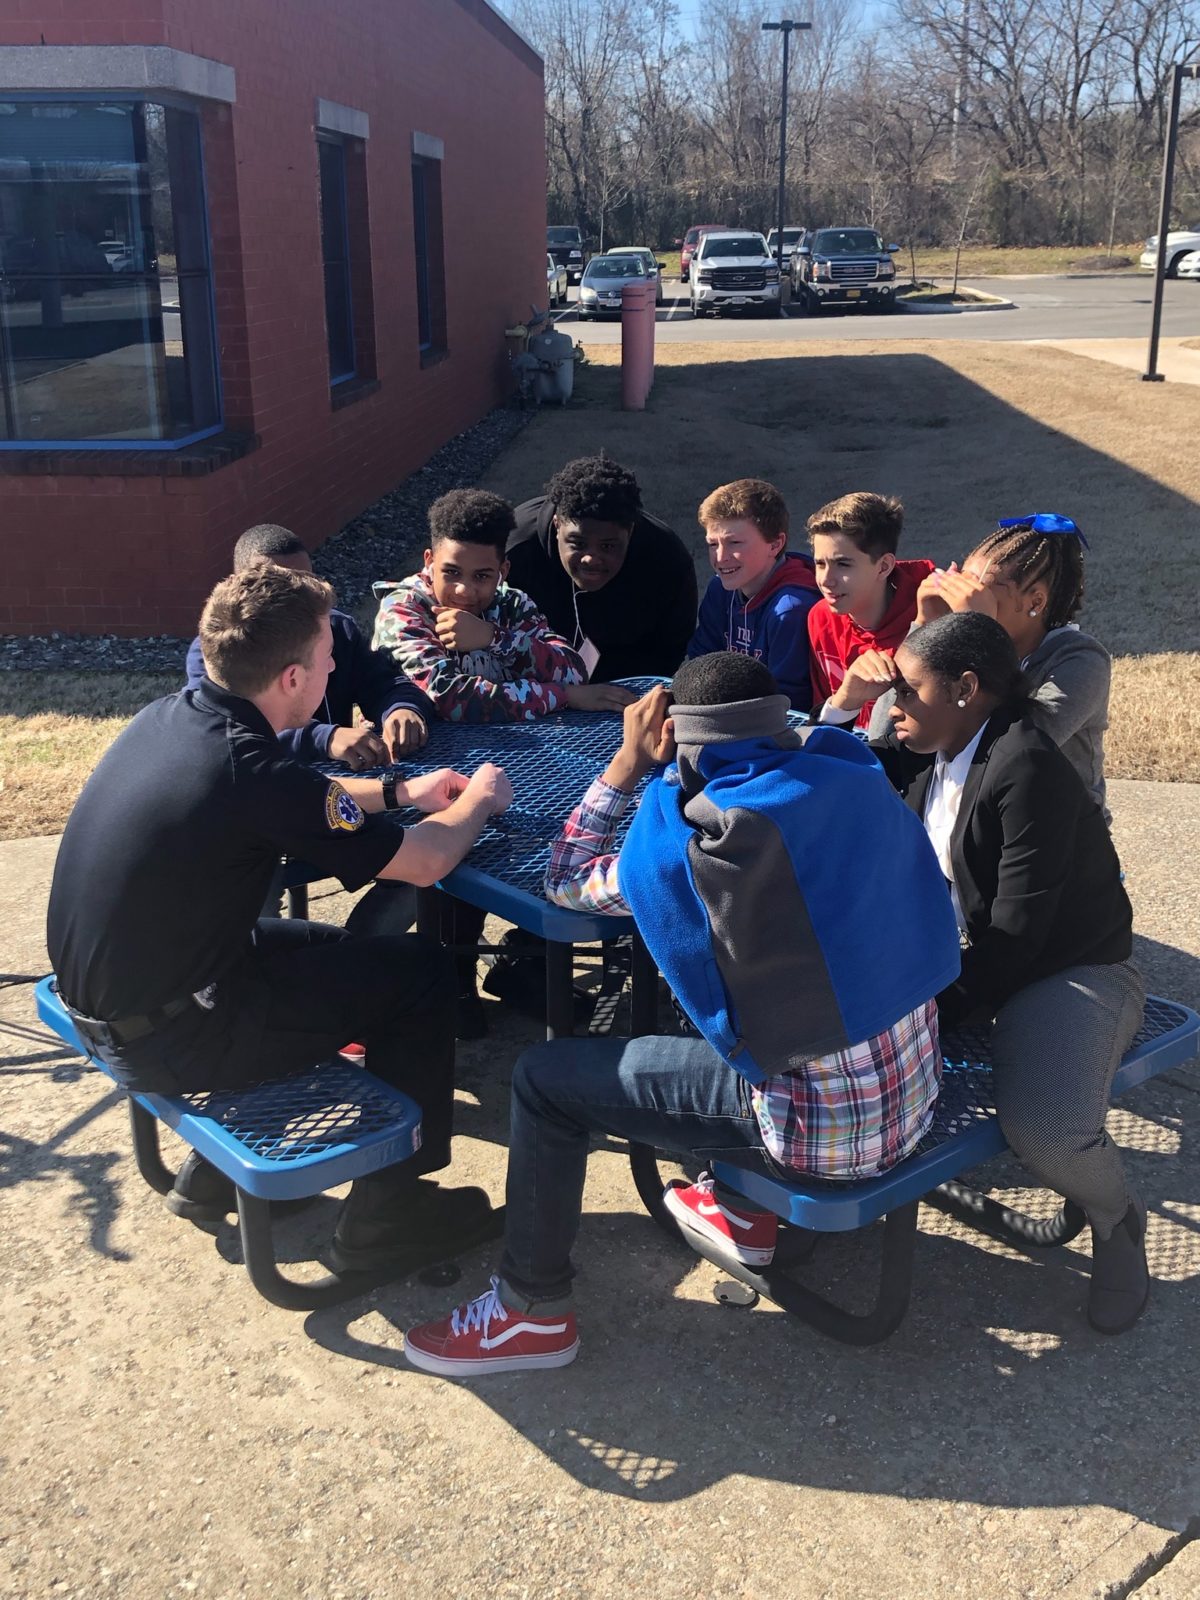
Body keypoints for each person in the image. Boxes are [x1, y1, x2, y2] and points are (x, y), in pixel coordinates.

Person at [400, 655, 960, 1377]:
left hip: (819, 1136)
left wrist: (625, 768)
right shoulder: (851, 777)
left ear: (679, 741)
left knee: (544, 1080)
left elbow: (565, 880)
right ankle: (741, 1210)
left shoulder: (697, 845)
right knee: (737, 982)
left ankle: (530, 1312)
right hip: (917, 1094)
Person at [47, 561, 511, 1276]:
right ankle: (388, 1215)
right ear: (292, 679)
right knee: (419, 975)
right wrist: (477, 799)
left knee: (344, 962)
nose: (334, 671)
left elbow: (303, 799)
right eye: (327, 658)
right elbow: (425, 863)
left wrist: (400, 790)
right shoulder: (249, 769)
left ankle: (212, 1171)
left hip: (130, 995)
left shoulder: (177, 717)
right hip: (174, 1031)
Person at [875, 611, 1147, 1334]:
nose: (892, 702)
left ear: (966, 689)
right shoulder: (928, 745)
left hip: (1068, 967)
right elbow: (848, 776)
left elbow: (1018, 936)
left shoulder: (1025, 767)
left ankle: (1114, 1217)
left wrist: (927, 1011)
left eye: (907, 687)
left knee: (1047, 1130)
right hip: (969, 956)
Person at [895, 512, 1110, 819]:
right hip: (967, 829)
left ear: (1035, 603)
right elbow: (890, 732)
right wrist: (925, 627)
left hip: (1056, 837)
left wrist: (977, 631)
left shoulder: (1081, 660)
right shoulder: (959, 648)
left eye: (981, 595)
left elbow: (1015, 748)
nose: (961, 603)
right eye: (962, 587)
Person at [372, 488, 632, 722]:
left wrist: (493, 637)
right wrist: (562, 696)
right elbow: (448, 698)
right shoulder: (403, 610)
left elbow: (574, 670)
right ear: (429, 560)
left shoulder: (511, 603)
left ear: (502, 571)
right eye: (451, 572)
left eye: (482, 576)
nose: (464, 590)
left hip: (508, 753)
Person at [185, 523, 432, 765]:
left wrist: (401, 709)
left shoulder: (336, 630)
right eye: (275, 585)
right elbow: (224, 730)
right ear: (241, 585)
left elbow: (385, 682)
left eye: (304, 581)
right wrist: (324, 738)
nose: (296, 595)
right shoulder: (220, 646)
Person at [505, 455, 698, 682]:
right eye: (577, 543)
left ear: (630, 531)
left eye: (608, 546)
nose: (591, 559)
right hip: (529, 682)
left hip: (621, 686)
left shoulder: (668, 561)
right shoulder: (514, 549)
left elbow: (669, 651)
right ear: (557, 525)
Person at [686, 478, 821, 711]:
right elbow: (698, 663)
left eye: (734, 543)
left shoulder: (791, 610)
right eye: (712, 544)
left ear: (775, 545)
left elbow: (789, 704)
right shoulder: (720, 589)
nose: (720, 557)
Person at [804, 491, 934, 728]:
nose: (826, 580)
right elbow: (824, 722)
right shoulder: (820, 618)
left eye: (842, 564)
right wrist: (845, 699)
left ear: (883, 566)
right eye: (819, 564)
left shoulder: (929, 624)